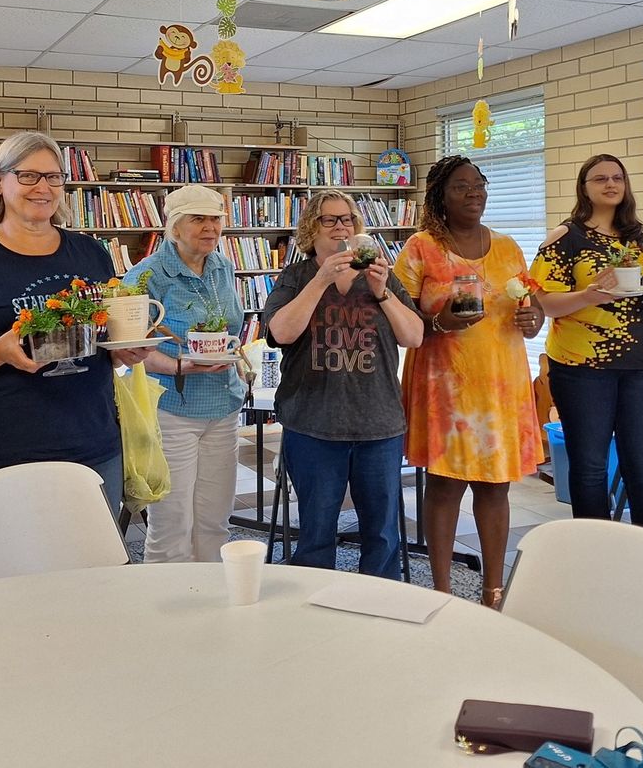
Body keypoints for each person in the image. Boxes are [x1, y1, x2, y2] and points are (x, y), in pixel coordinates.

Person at [0, 132, 144, 518]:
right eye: (28, 176)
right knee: (7, 576)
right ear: (0, 183)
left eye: (54, 177)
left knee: (93, 574)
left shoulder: (91, 253)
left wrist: (126, 351)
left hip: (92, 447)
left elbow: (108, 343)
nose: (43, 187)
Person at [394, 156, 543, 606]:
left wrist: (532, 318)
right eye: (461, 186)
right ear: (440, 195)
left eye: (479, 184)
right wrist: (439, 322)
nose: (474, 193)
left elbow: (530, 311)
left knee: (496, 486)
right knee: (444, 486)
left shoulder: (509, 247)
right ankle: (440, 590)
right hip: (446, 388)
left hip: (502, 383)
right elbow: (397, 313)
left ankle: (493, 589)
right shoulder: (421, 248)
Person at [261, 191, 424, 578]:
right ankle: (311, 601)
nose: (341, 228)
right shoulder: (298, 277)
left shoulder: (381, 275)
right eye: (330, 220)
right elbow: (280, 332)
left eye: (348, 219)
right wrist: (320, 282)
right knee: (316, 528)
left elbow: (414, 336)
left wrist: (383, 292)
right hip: (313, 423)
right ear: (310, 230)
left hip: (378, 423)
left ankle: (381, 602)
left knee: (383, 531)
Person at [529, 154, 643, 531]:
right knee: (590, 468)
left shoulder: (636, 238)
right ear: (584, 188)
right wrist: (588, 296)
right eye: (600, 179)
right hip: (581, 368)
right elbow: (543, 302)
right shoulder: (565, 237)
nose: (610, 184)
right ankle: (596, 554)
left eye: (617, 178)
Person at [127, 184, 245, 563]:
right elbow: (131, 351)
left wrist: (232, 355)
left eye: (216, 219)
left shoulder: (223, 267)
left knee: (215, 522)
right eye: (199, 219)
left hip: (223, 406)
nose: (210, 228)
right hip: (172, 410)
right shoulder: (147, 277)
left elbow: (231, 325)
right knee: (172, 524)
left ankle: (213, 604)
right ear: (175, 227)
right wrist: (179, 365)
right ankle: (165, 613)